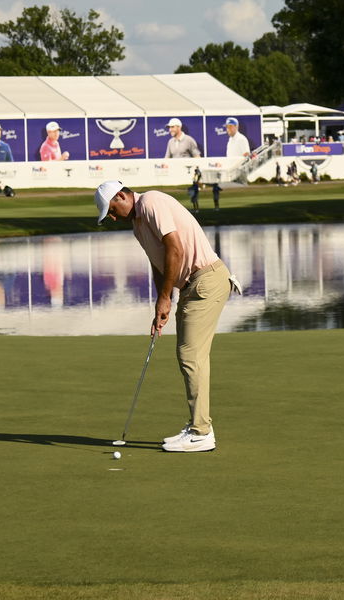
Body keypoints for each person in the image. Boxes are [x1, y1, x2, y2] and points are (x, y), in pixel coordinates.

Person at [94, 180, 239, 453]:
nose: (112, 217)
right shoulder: (138, 225)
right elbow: (159, 263)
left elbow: (175, 249)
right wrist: (163, 301)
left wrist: (165, 298)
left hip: (206, 280)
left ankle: (201, 433)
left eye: (111, 210)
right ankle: (197, 426)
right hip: (191, 285)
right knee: (190, 356)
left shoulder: (151, 202)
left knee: (190, 356)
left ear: (121, 196)